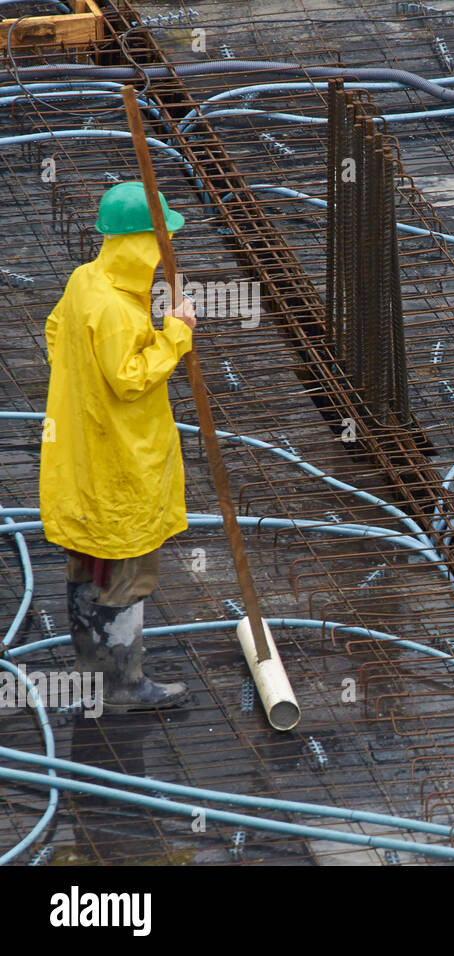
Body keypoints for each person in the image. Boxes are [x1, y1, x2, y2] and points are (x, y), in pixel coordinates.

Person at [40, 181, 195, 712]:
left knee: (86, 566)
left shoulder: (86, 281)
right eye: (159, 238)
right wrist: (174, 334)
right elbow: (129, 379)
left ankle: (91, 675)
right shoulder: (118, 310)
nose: (164, 250)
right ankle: (124, 687)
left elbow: (56, 333)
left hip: (80, 457)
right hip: (121, 465)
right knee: (126, 573)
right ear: (138, 241)